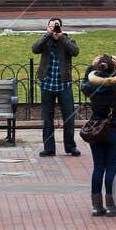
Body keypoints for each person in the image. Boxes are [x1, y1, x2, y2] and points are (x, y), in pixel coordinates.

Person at [81, 53, 116, 216]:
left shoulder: (91, 87)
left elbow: (84, 83)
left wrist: (91, 67)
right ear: (114, 68)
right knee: (111, 168)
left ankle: (96, 207)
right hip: (115, 129)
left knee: (98, 167)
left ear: (97, 69)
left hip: (97, 130)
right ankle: (112, 207)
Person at [33, 17, 81, 158]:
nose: (54, 29)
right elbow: (35, 49)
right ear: (48, 28)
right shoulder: (45, 40)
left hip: (63, 84)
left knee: (69, 118)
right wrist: (47, 35)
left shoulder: (67, 40)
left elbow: (75, 51)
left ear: (61, 28)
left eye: (56, 26)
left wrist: (61, 37)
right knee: (47, 118)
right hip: (47, 84)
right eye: (51, 27)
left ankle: (70, 147)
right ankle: (49, 148)